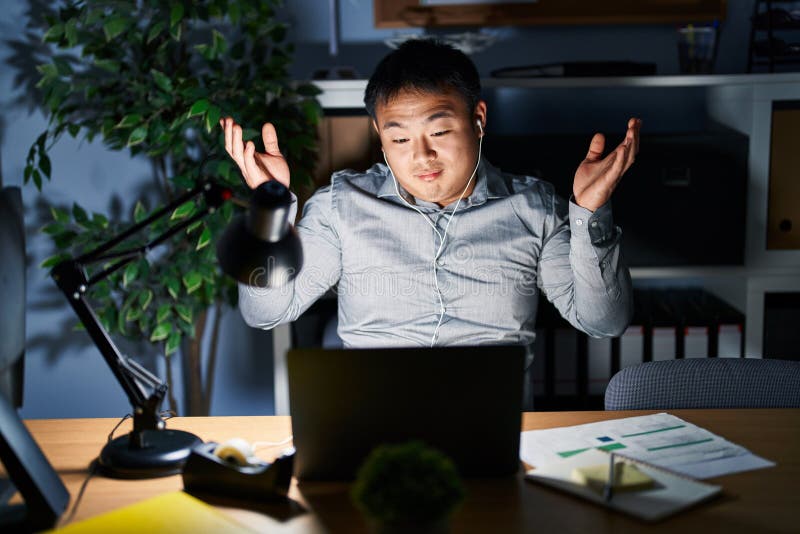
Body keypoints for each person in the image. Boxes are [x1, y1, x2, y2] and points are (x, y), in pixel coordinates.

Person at [220, 39, 637, 381]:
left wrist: (590, 213)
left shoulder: (534, 208)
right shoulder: (340, 206)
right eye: (399, 140)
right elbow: (265, 313)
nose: (422, 156)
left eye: (439, 131)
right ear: (379, 135)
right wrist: (269, 206)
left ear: (478, 119)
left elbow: (603, 322)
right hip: (371, 420)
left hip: (491, 423)